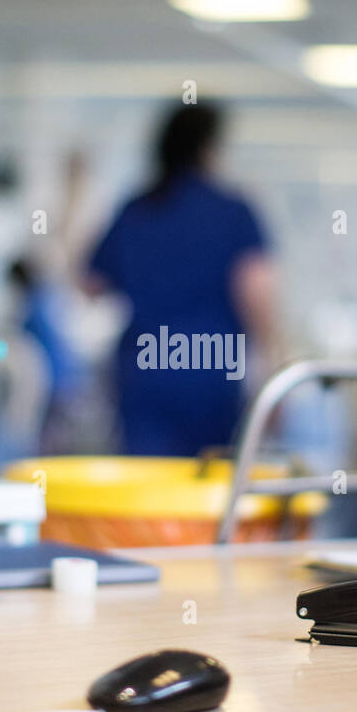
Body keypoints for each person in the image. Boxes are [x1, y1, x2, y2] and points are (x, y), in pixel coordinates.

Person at [87, 102, 277, 456]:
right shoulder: (234, 212)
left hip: (146, 364)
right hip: (212, 364)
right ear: (208, 148)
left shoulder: (137, 210)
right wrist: (275, 365)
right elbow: (257, 291)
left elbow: (92, 284)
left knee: (147, 483)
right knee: (208, 480)